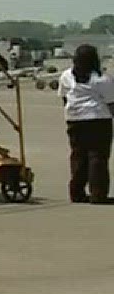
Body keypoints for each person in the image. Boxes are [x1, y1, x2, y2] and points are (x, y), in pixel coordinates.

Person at [57, 43, 113, 203]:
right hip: (98, 119)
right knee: (98, 157)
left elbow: (64, 97)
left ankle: (76, 192)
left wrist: (74, 112)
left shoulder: (66, 76)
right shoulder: (102, 79)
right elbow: (111, 102)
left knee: (78, 156)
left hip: (74, 119)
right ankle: (98, 194)